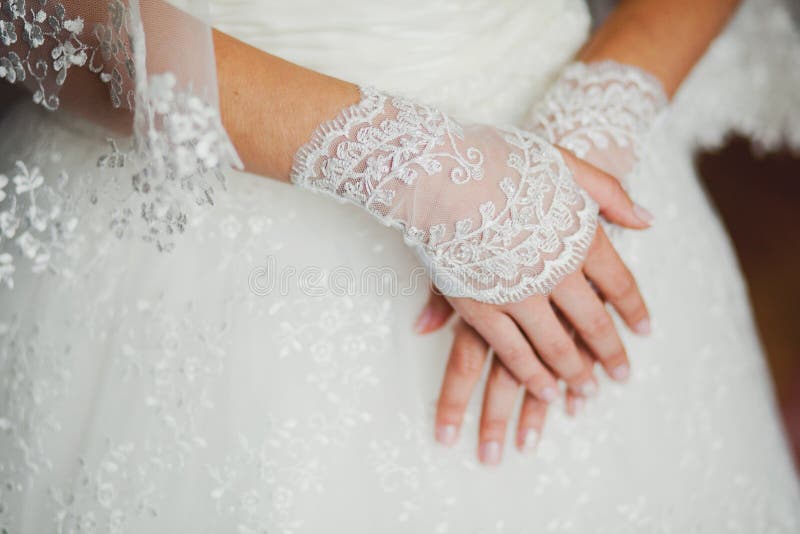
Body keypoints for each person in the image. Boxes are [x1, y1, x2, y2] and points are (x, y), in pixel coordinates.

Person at [0, 0, 799, 531]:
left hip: (572, 160)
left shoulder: (580, 154)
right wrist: (416, 169)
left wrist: (601, 115)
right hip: (195, 223)